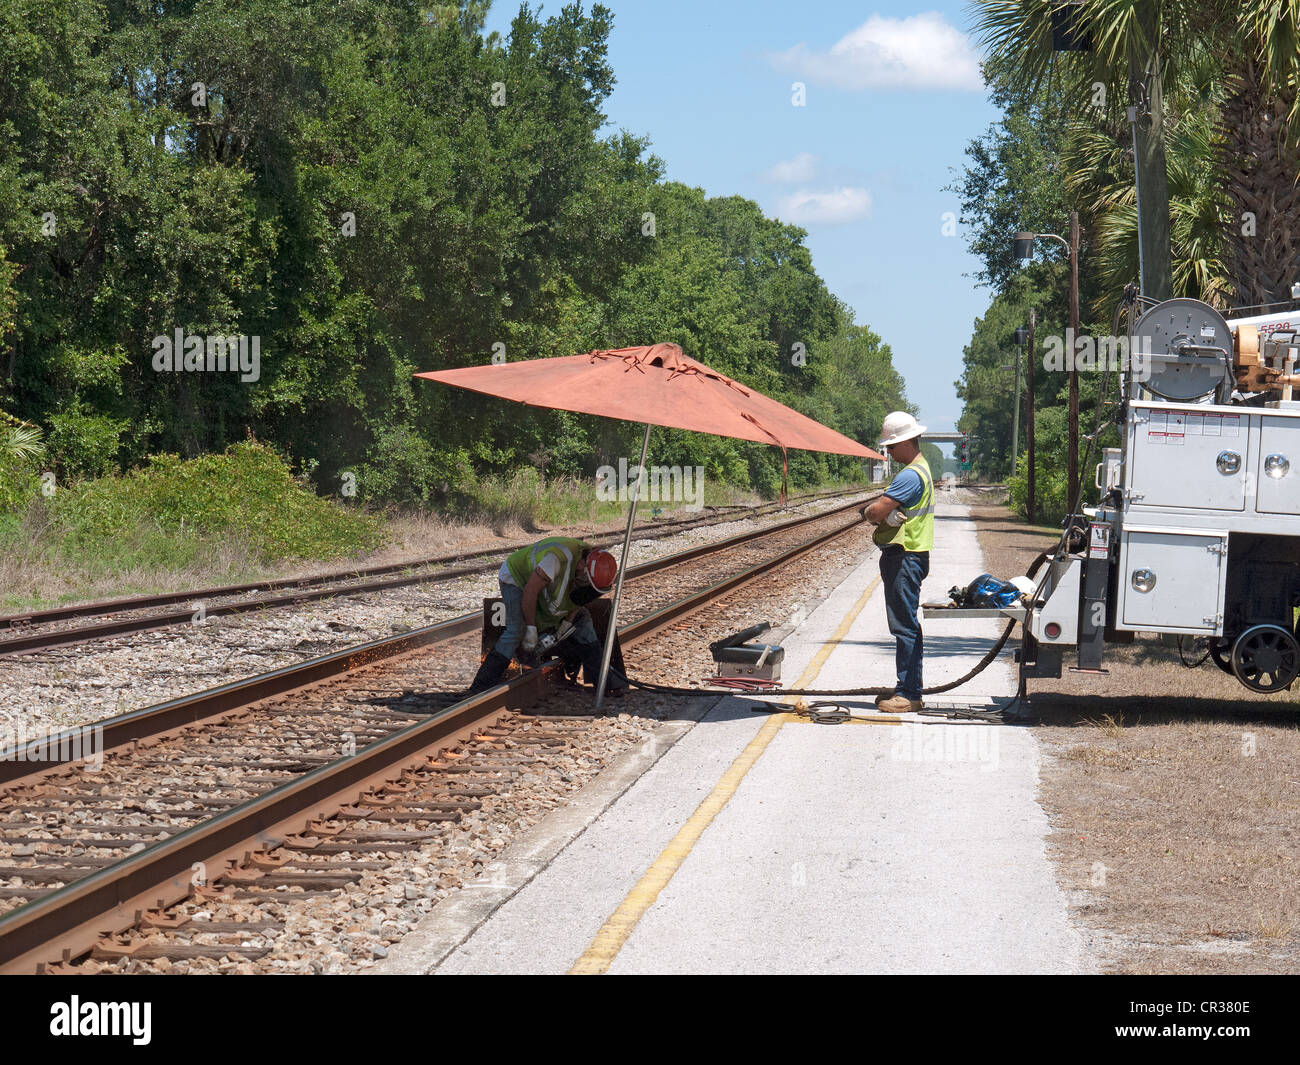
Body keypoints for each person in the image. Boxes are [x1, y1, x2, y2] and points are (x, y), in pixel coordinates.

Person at [467, 536, 628, 697]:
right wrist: (531, 628)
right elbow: (530, 591)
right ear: (581, 566)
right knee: (517, 629)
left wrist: (566, 624)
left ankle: (604, 683)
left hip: (544, 583)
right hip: (516, 577)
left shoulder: (592, 562)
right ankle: (481, 685)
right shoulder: (556, 559)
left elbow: (578, 600)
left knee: (583, 622)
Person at [863, 411, 934, 713]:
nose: (889, 452)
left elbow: (876, 512)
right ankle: (907, 687)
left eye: (891, 447)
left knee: (904, 628)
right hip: (913, 555)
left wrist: (870, 512)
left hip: (905, 557)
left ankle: (909, 693)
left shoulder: (909, 475)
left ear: (905, 442)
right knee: (906, 626)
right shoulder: (922, 469)